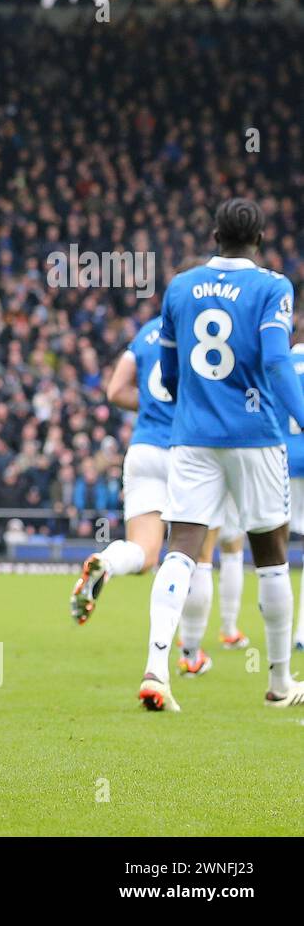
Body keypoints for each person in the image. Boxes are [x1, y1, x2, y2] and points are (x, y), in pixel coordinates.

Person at [138, 198, 304, 711]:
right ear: (259, 239)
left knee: (182, 548)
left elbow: (167, 371)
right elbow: (277, 362)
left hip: (192, 435)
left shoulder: (181, 286)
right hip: (256, 435)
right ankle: (279, 683)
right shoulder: (273, 286)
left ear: (214, 235)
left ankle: (155, 668)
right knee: (271, 556)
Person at [69, 315, 230, 675]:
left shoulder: (146, 333)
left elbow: (114, 391)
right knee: (199, 555)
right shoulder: (211, 327)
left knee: (144, 552)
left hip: (143, 450)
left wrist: (153, 408)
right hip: (189, 449)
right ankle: (190, 655)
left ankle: (107, 562)